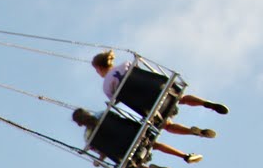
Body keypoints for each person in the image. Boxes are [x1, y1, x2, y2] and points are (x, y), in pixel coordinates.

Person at [92, 50, 228, 118]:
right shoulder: (126, 64)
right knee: (181, 98)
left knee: (164, 124)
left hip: (144, 103)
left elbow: (118, 101)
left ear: (99, 67)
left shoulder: (106, 87)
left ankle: (188, 143)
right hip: (156, 87)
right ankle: (206, 103)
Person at [70, 108, 198, 168]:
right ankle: (185, 156)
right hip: (135, 136)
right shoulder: (104, 113)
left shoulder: (88, 138)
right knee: (155, 145)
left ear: (80, 124)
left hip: (124, 152)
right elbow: (121, 118)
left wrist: (97, 162)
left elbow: (103, 152)